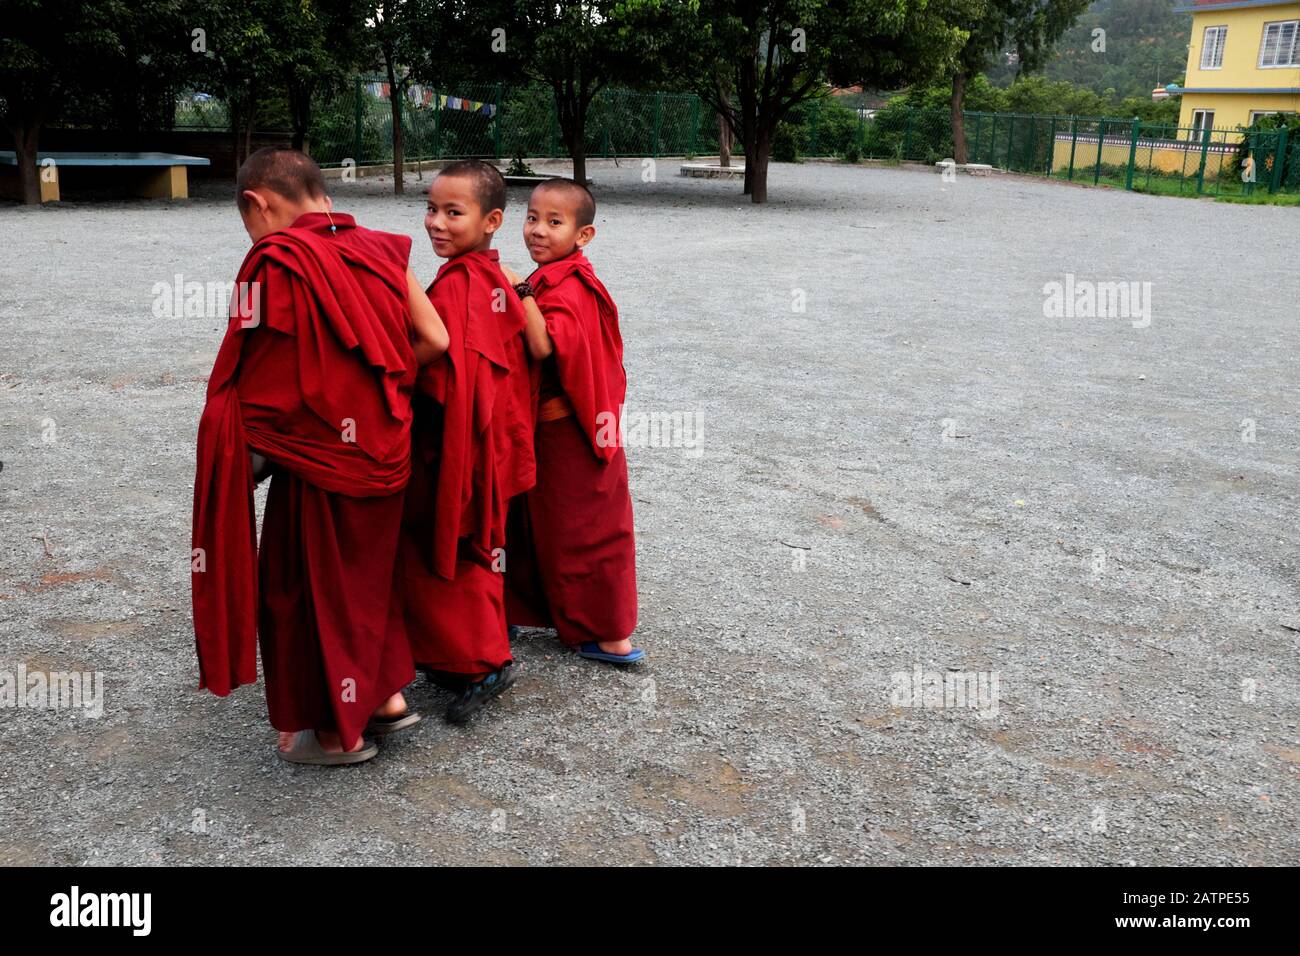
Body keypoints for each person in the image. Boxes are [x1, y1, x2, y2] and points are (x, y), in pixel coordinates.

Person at [192, 147, 449, 765]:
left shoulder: (277, 259)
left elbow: (256, 381)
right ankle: (385, 701)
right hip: (385, 445)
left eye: (248, 221)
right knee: (367, 580)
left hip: (321, 461)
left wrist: (245, 454)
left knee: (308, 591)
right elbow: (435, 338)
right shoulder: (381, 247)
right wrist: (377, 392)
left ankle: (339, 735)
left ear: (257, 203)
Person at [397, 159, 535, 721]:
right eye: (431, 209)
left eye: (454, 212)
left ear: (492, 220)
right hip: (477, 441)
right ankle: (459, 650)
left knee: (453, 541)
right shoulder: (482, 274)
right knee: (467, 541)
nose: (436, 223)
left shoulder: (467, 282)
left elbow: (456, 378)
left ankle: (483, 661)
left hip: (460, 444)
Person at [503, 179, 642, 665]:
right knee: (528, 518)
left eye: (554, 222)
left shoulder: (570, 286)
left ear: (583, 236)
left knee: (585, 527)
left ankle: (608, 633)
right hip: (545, 426)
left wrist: (517, 289)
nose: (538, 231)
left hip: (570, 430)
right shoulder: (553, 275)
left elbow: (544, 346)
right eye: (532, 218)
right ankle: (516, 608)